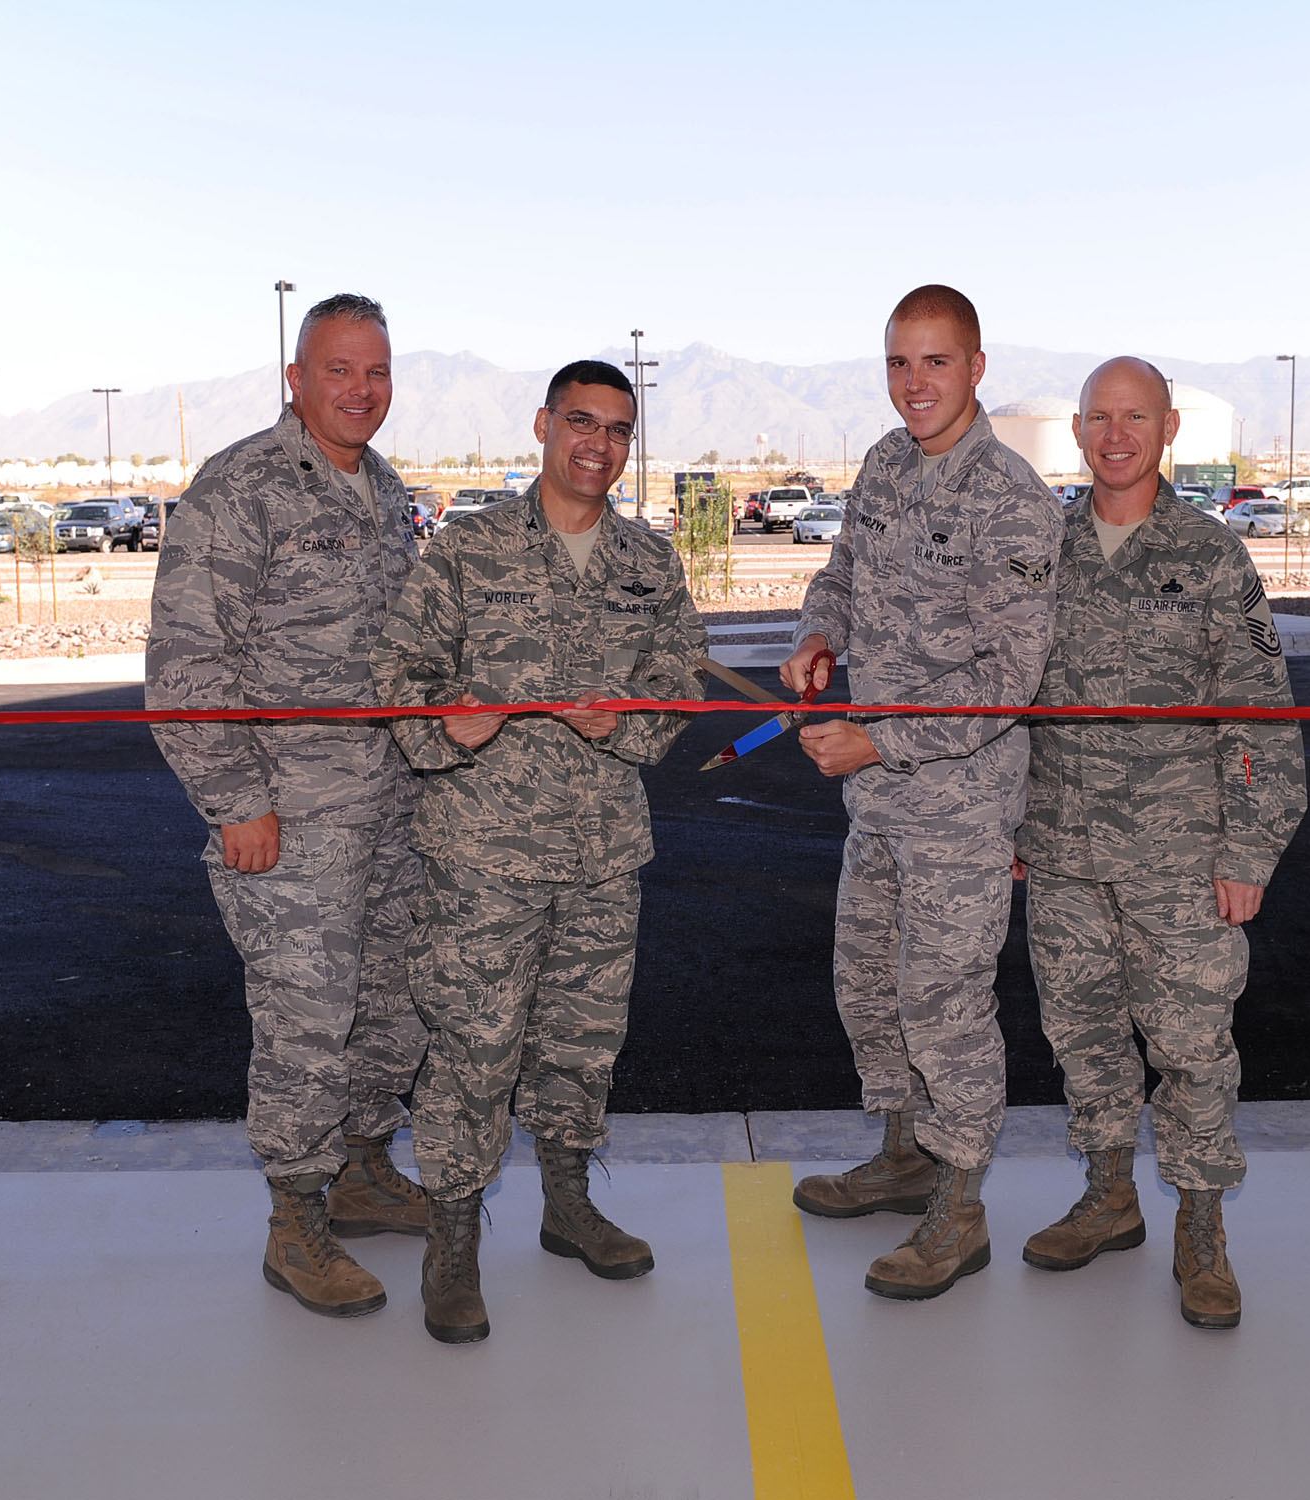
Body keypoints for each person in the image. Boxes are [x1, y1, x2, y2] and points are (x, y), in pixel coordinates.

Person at [371, 359, 707, 1344]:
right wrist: (449, 725)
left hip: (604, 853)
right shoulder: (469, 551)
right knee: (472, 1051)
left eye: (615, 429)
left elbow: (677, 683)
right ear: (542, 426)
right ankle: (454, 1240)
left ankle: (568, 1207)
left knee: (582, 1044)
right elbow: (401, 676)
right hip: (483, 853)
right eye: (579, 423)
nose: (596, 446)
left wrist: (627, 728)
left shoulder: (648, 561)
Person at [147, 293, 432, 1319]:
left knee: (390, 1008)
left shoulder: (387, 490)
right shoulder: (241, 486)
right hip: (291, 819)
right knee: (306, 1024)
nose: (363, 391)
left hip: (393, 810)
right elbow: (186, 663)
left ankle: (360, 1169)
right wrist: (234, 802)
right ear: (295, 377)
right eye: (341, 370)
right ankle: (295, 1223)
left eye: (379, 372)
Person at [781, 285, 1063, 1300]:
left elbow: (1007, 680)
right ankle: (904, 1155)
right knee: (869, 982)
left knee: (945, 1000)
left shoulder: (1012, 497)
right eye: (898, 362)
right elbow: (843, 575)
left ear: (976, 368)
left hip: (960, 801)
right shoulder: (885, 466)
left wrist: (877, 739)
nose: (914, 384)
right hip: (881, 801)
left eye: (934, 362)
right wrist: (818, 635)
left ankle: (961, 1205)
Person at [1016, 356, 1307, 1329]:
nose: (1114, 435)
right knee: (1084, 1037)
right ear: (1078, 429)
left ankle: (1203, 1227)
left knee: (1190, 1045)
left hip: (1181, 859)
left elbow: (1260, 719)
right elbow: (1008, 698)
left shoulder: (1212, 556)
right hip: (1061, 848)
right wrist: (1012, 822)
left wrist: (1248, 856)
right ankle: (1109, 1197)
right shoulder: (1043, 550)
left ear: (1168, 429)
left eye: (1133, 417)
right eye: (1098, 417)